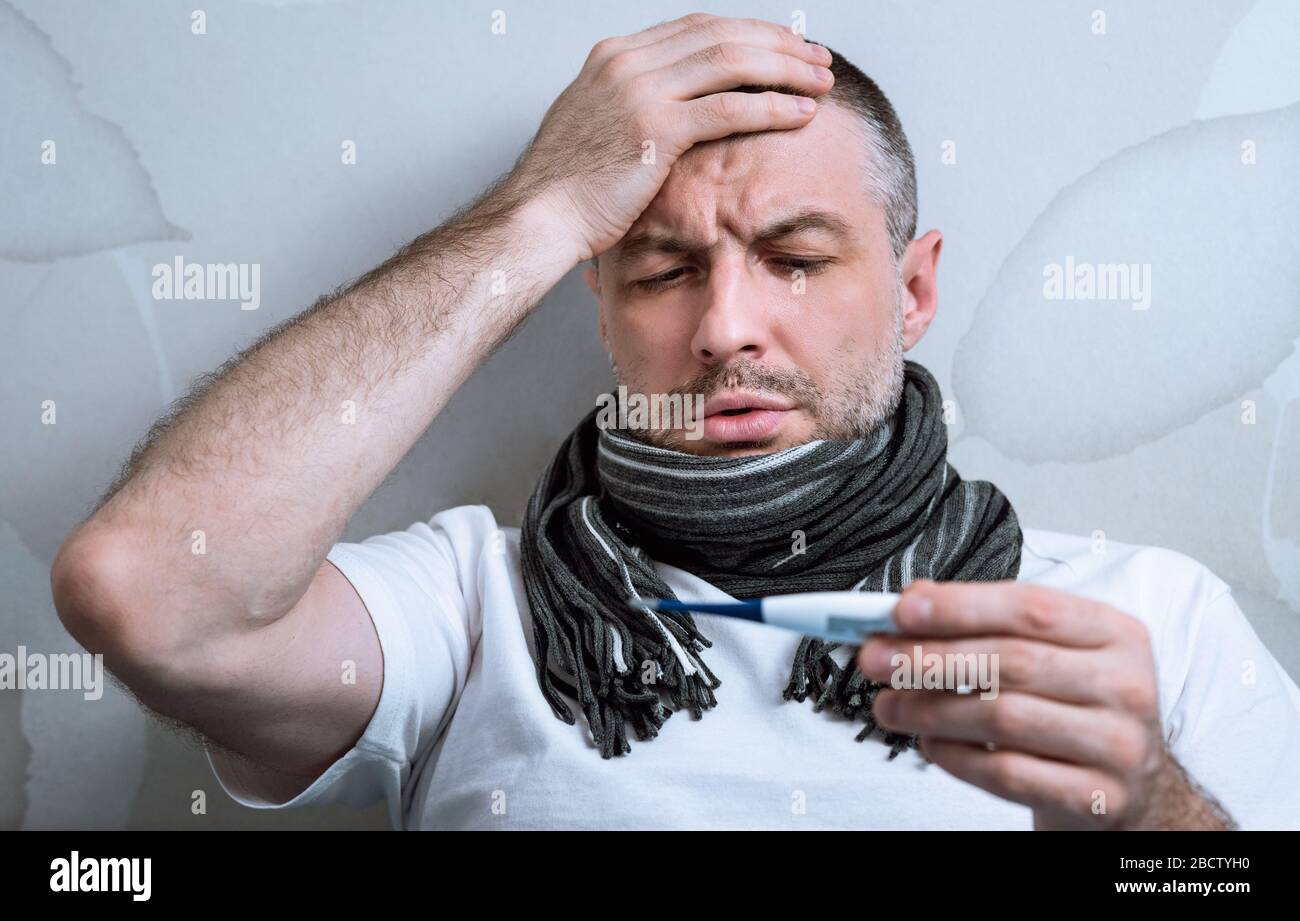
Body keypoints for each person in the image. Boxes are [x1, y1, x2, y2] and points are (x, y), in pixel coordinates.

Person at [51, 13, 1300, 831]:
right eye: (658, 272)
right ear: (600, 310)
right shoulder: (467, 607)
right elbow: (149, 596)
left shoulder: (1149, 621)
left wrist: (1153, 813)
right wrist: (540, 212)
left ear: (915, 291)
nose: (723, 329)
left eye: (797, 258)